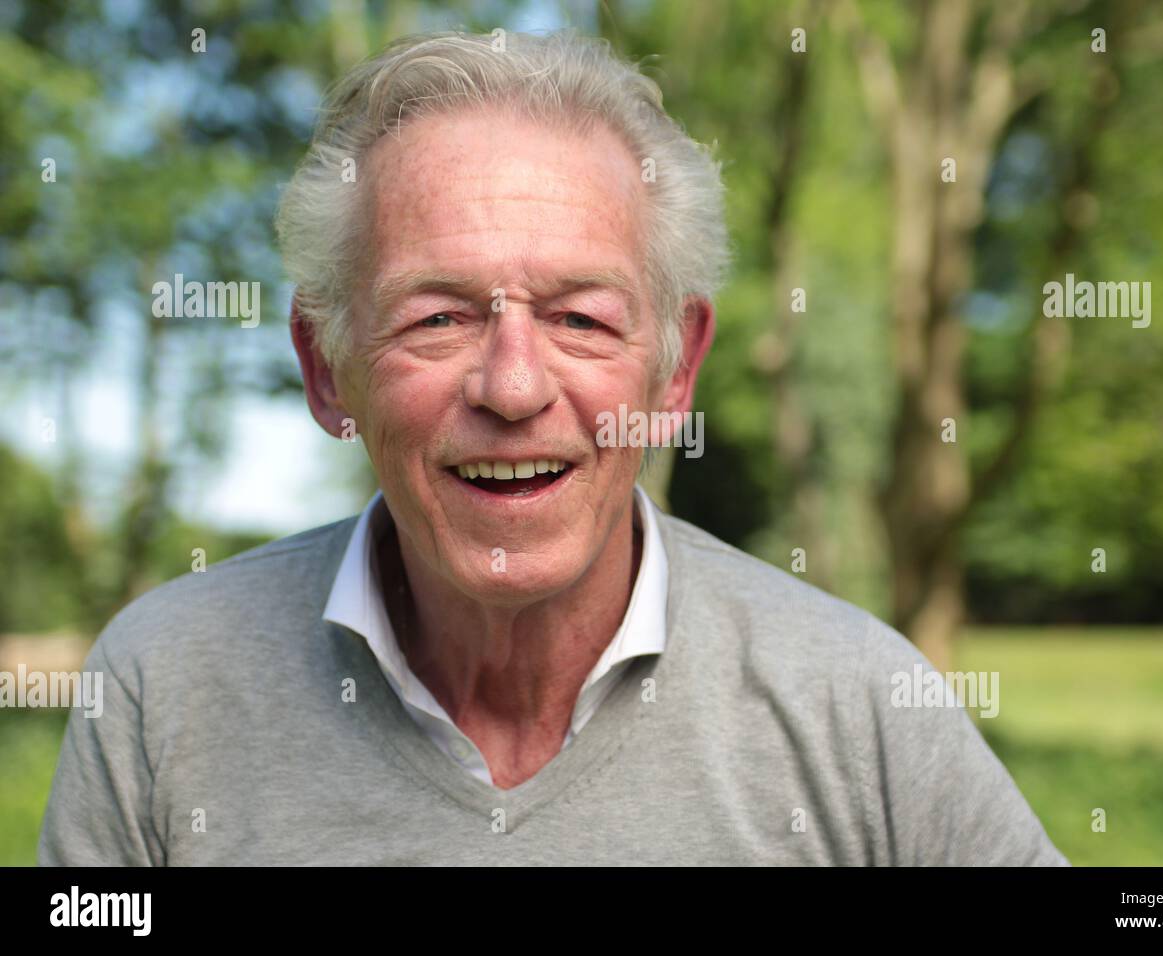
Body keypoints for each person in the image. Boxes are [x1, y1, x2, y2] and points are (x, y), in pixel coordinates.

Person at [39, 30, 1067, 866]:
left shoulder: (861, 703)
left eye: (580, 317)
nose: (515, 385)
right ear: (326, 369)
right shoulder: (162, 683)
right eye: (436, 317)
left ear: (673, 369)